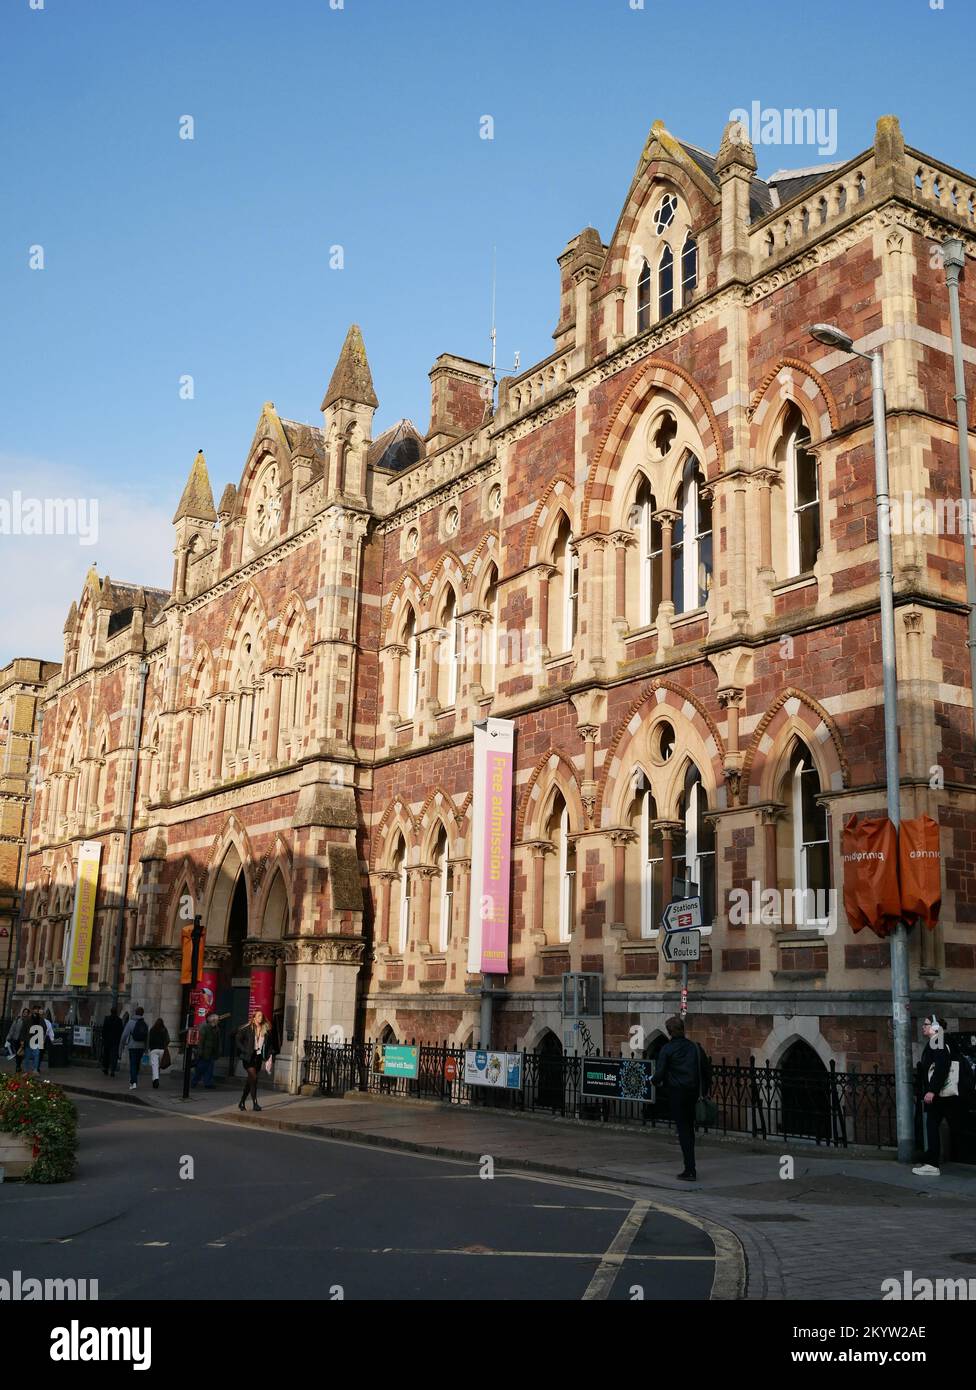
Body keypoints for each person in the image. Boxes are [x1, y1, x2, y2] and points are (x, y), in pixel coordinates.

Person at [652, 1015, 712, 1182]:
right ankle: (690, 1166)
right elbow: (707, 1072)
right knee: (689, 1131)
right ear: (683, 1029)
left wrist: (653, 1081)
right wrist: (705, 1091)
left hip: (677, 1094)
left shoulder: (667, 1049)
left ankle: (690, 1169)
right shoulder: (695, 1047)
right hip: (694, 1094)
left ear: (669, 1032)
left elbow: (659, 1074)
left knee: (684, 1131)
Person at [913, 1013, 953, 1177]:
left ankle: (932, 1163)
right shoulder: (936, 1042)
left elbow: (941, 1067)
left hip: (939, 1094)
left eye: (927, 1024)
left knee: (933, 1125)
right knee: (934, 1124)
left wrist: (932, 1090)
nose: (923, 1026)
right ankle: (931, 1160)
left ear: (936, 1027)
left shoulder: (938, 1041)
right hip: (940, 1094)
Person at [236, 1009, 276, 1112]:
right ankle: (255, 1103)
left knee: (250, 1081)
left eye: (261, 1016)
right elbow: (238, 1039)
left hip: (257, 1058)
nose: (260, 1018)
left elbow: (269, 1045)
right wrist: (244, 1050)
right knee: (254, 1078)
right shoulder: (247, 1028)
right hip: (248, 1057)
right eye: (258, 1016)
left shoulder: (265, 1030)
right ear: (253, 1018)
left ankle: (242, 1102)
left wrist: (270, 1054)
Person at [191, 1013, 224, 1090]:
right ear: (212, 1020)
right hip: (205, 1052)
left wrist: (219, 1050)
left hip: (212, 1052)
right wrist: (200, 1051)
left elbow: (218, 1041)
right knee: (201, 1068)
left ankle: (208, 1083)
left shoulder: (217, 1029)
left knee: (210, 1068)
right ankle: (194, 1081)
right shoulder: (204, 1027)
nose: (218, 1021)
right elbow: (201, 1041)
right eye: (216, 1020)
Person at [119, 1006, 149, 1090]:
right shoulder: (145, 1024)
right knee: (137, 1064)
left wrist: (121, 1047)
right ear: (142, 1014)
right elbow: (147, 1038)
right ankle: (134, 1078)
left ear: (135, 1013)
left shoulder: (130, 1022)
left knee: (133, 1064)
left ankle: (133, 1082)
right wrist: (146, 1050)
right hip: (141, 1047)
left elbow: (124, 1035)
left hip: (132, 1046)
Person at [22, 1005, 50, 1075]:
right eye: (35, 1009)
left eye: (37, 1010)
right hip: (29, 1040)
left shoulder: (41, 1019)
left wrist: (42, 1036)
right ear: (32, 1010)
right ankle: (26, 1070)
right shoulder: (28, 1019)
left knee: (36, 1055)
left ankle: (35, 1069)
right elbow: (23, 1030)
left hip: (37, 1040)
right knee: (27, 1056)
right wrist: (22, 1040)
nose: (36, 1011)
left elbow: (45, 1028)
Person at [147, 1017, 170, 1090]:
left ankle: (156, 1080)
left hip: (153, 1050)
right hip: (162, 1050)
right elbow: (168, 1040)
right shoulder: (164, 1030)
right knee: (158, 1066)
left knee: (155, 1066)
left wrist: (148, 1048)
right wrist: (165, 1045)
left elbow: (148, 1040)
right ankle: (156, 1078)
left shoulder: (152, 1030)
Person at [101, 1006, 123, 1077]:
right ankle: (112, 1070)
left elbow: (104, 1030)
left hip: (107, 1040)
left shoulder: (107, 1019)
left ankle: (106, 1068)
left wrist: (103, 1038)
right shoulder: (119, 1020)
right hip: (115, 1041)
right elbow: (121, 1031)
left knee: (106, 1054)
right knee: (114, 1056)